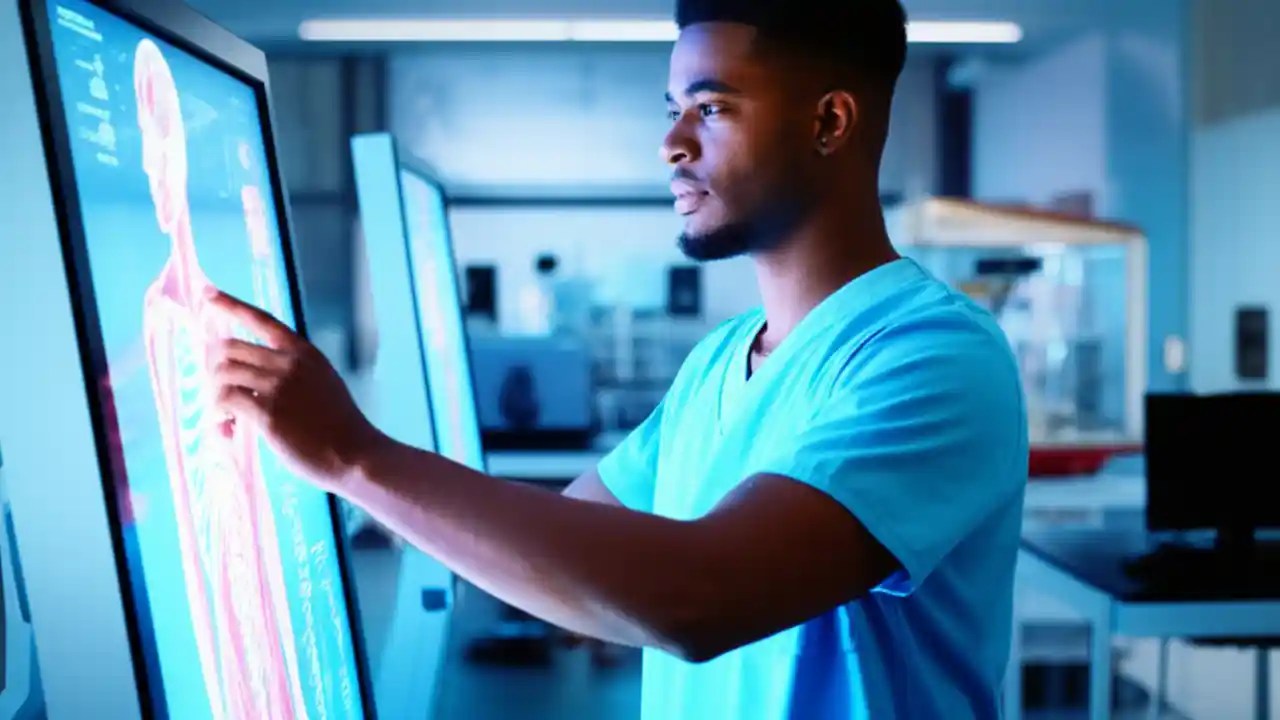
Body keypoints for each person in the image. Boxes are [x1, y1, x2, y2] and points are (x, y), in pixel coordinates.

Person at [206, 0, 1029, 717]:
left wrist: (355, 457)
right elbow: (578, 543)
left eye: (710, 109)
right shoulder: (720, 361)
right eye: (671, 108)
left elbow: (698, 598)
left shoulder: (934, 355)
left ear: (828, 122)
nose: (670, 143)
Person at [134, 37, 306, 720]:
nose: (156, 165)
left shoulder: (227, 316)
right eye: (148, 143)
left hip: (248, 534)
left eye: (165, 139)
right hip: (208, 544)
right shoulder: (160, 318)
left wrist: (357, 462)